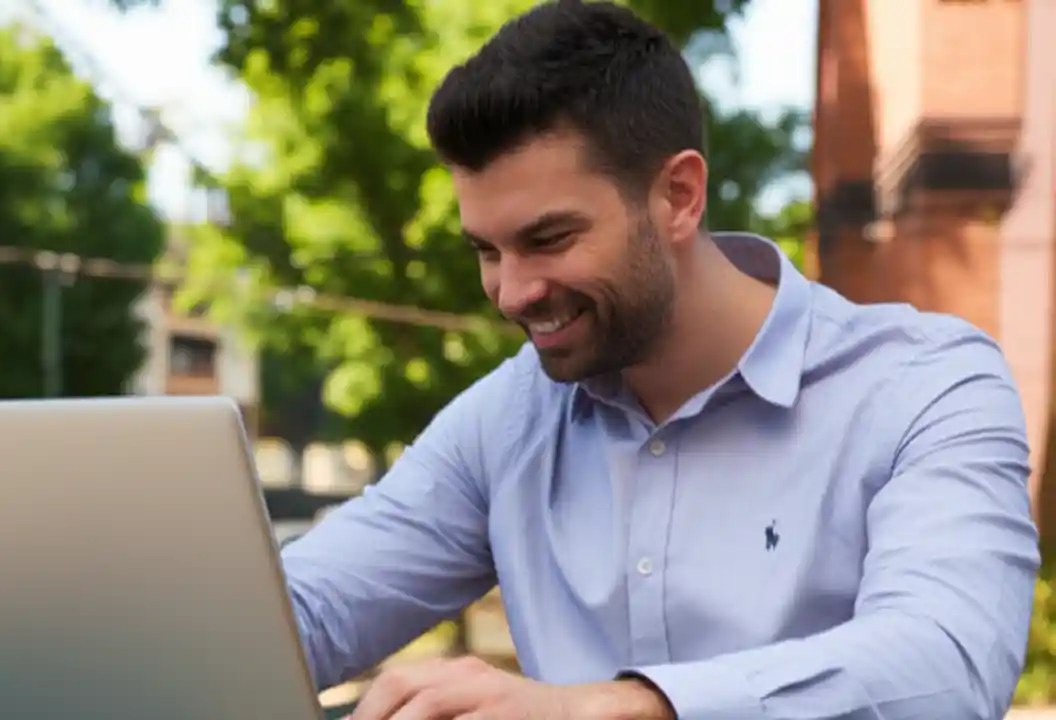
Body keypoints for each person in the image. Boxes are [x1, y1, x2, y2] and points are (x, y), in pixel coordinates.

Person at [280, 1, 1041, 718]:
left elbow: (948, 663)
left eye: (549, 239)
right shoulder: (506, 421)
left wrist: (615, 706)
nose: (512, 292)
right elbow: (306, 613)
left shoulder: (926, 386)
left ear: (679, 195)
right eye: (487, 250)